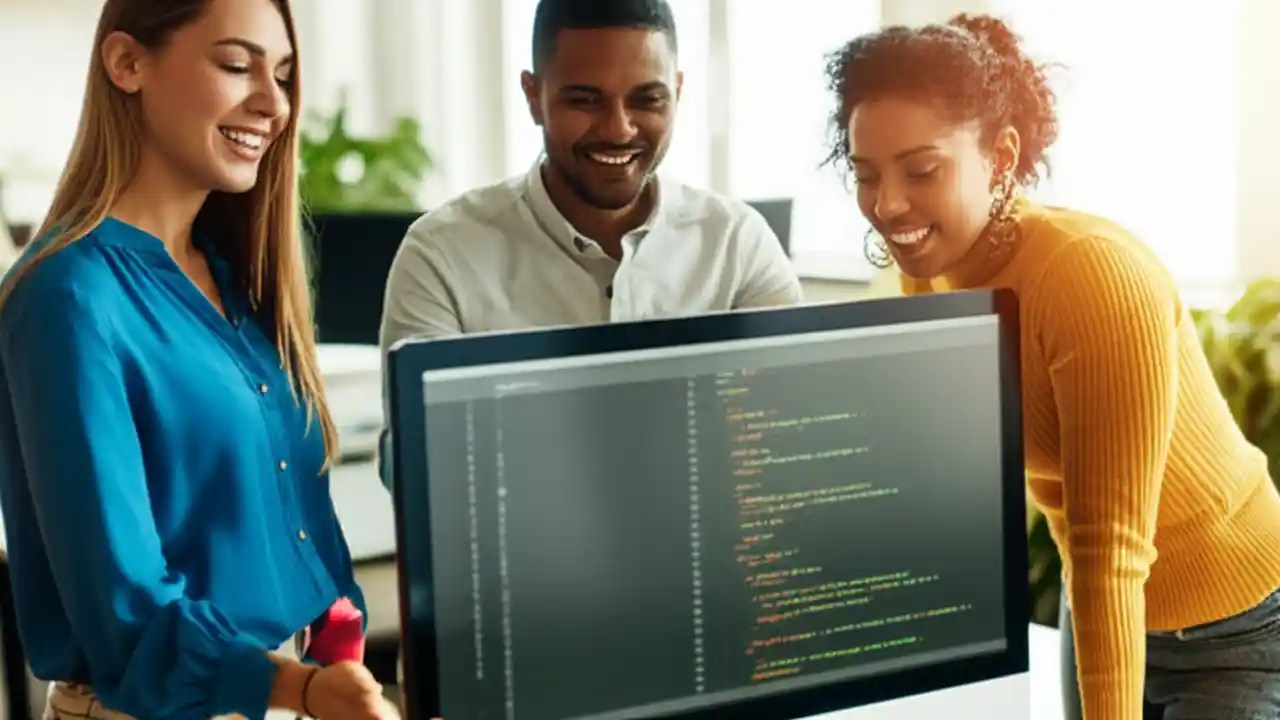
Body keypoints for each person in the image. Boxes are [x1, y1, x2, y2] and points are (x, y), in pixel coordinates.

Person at [824, 13, 1280, 720]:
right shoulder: (934, 265)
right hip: (1099, 595)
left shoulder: (1089, 275)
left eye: (921, 170)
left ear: (1000, 157)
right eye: (866, 173)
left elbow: (1112, 550)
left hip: (1238, 622)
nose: (887, 204)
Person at [0, 1, 396, 718]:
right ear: (127, 63)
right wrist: (299, 688)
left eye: (282, 74)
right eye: (236, 65)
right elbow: (122, 604)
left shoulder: (238, 277)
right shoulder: (68, 297)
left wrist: (331, 667)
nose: (272, 103)